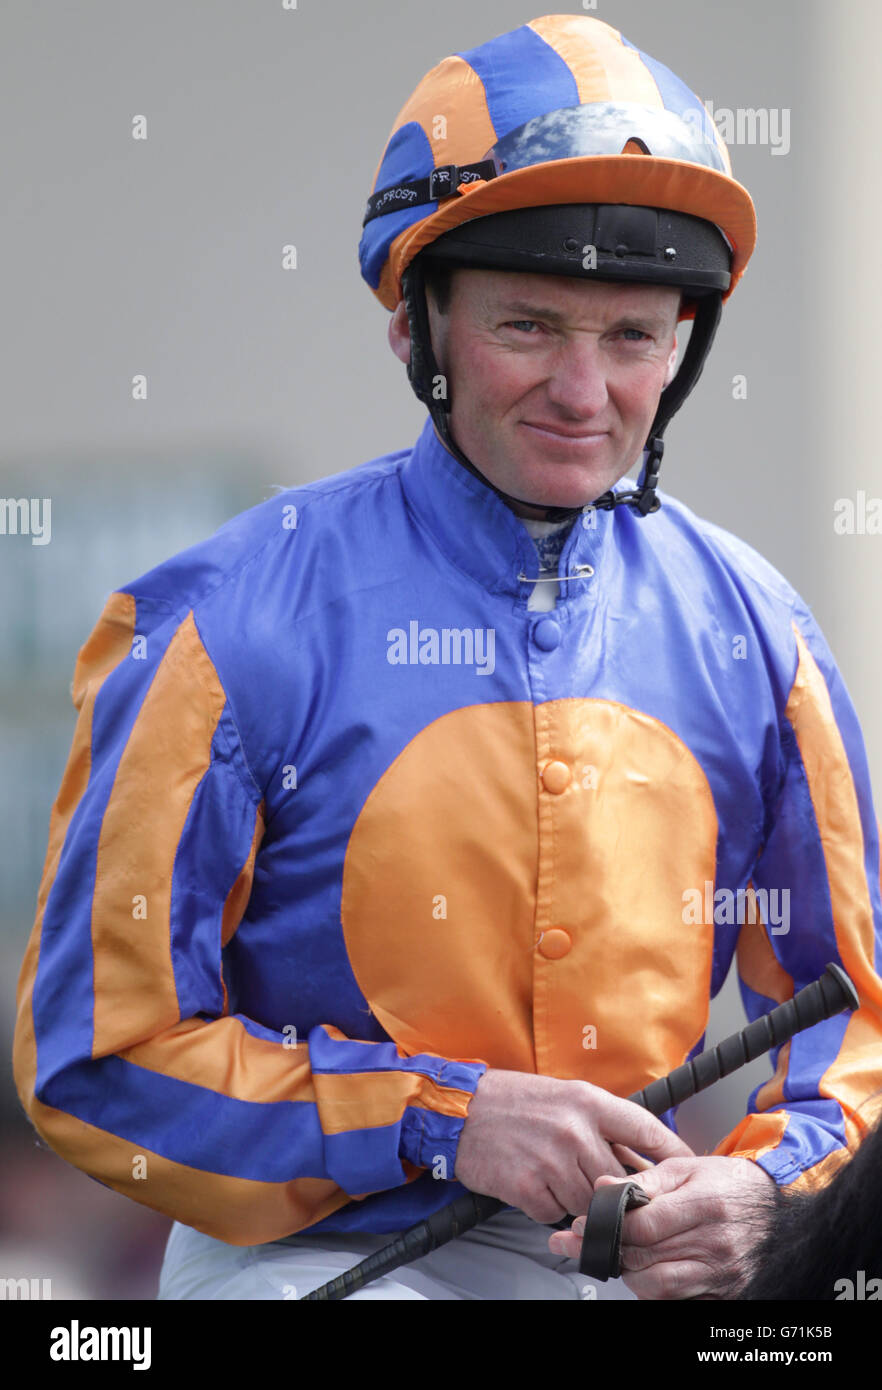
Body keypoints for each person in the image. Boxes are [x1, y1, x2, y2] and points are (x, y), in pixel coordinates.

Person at [12, 13, 882, 1302]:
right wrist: (436, 1119)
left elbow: (857, 1012)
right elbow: (93, 1054)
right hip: (315, 1260)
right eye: (530, 326)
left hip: (631, 1273)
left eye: (634, 337)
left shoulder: (760, 637)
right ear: (418, 327)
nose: (586, 393)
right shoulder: (220, 625)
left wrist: (771, 1189)